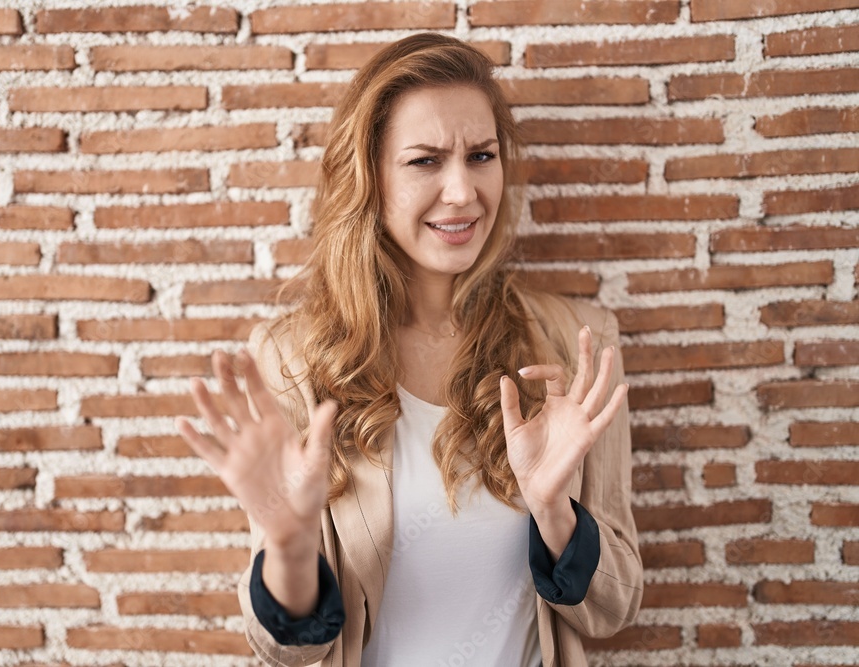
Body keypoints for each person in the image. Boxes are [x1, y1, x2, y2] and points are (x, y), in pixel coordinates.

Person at [175, 32, 643, 667]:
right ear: (369, 177)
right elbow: (287, 651)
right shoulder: (294, 358)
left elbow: (614, 610)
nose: (462, 191)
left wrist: (555, 512)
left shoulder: (574, 342)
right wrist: (287, 548)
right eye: (425, 161)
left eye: (481, 156)